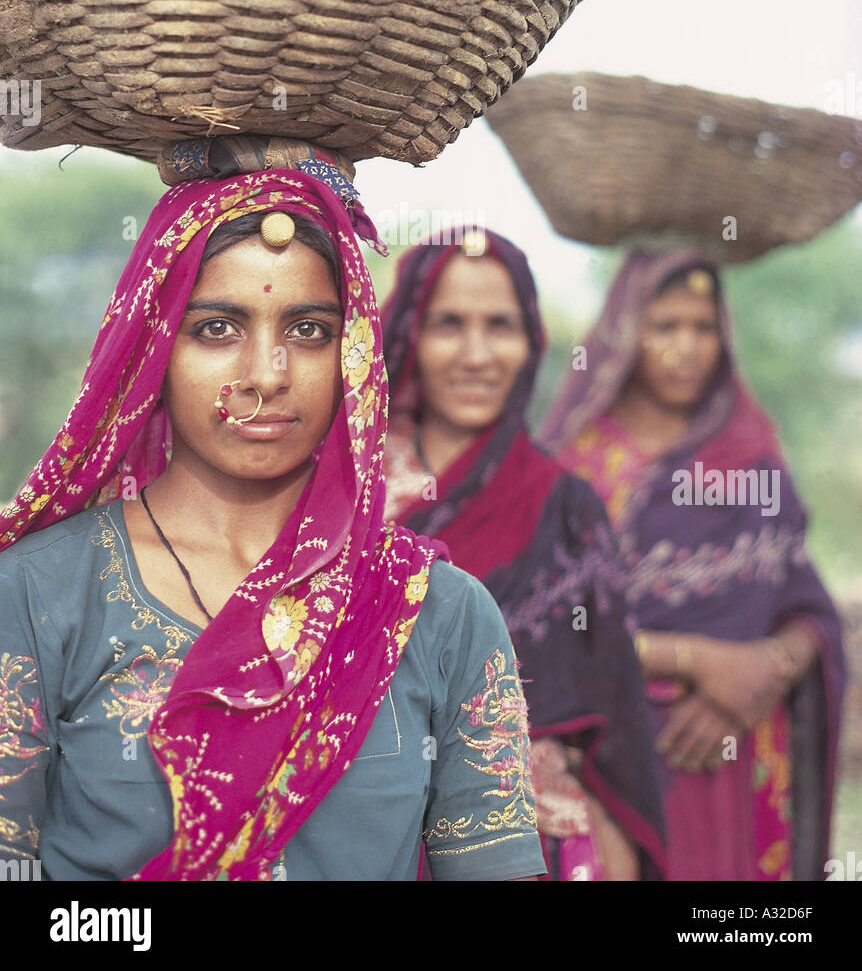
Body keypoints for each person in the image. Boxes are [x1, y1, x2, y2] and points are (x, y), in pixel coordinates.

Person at [0, 152, 546, 882]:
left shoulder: (437, 612)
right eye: (218, 328)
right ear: (154, 345)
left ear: (354, 358)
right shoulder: (38, 593)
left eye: (309, 331)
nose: (266, 374)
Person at [540, 248, 846, 882]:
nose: (686, 347)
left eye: (703, 327)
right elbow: (547, 629)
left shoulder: (752, 458)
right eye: (665, 326)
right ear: (627, 335)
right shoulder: (574, 471)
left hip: (746, 751)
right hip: (618, 756)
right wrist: (704, 661)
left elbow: (807, 606)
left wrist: (765, 669)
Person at [380, 229, 666, 881]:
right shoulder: (346, 493)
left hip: (514, 846)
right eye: (448, 323)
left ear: (530, 342)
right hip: (353, 832)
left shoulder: (566, 509)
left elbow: (612, 733)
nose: (477, 354)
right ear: (407, 337)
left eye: (500, 325)